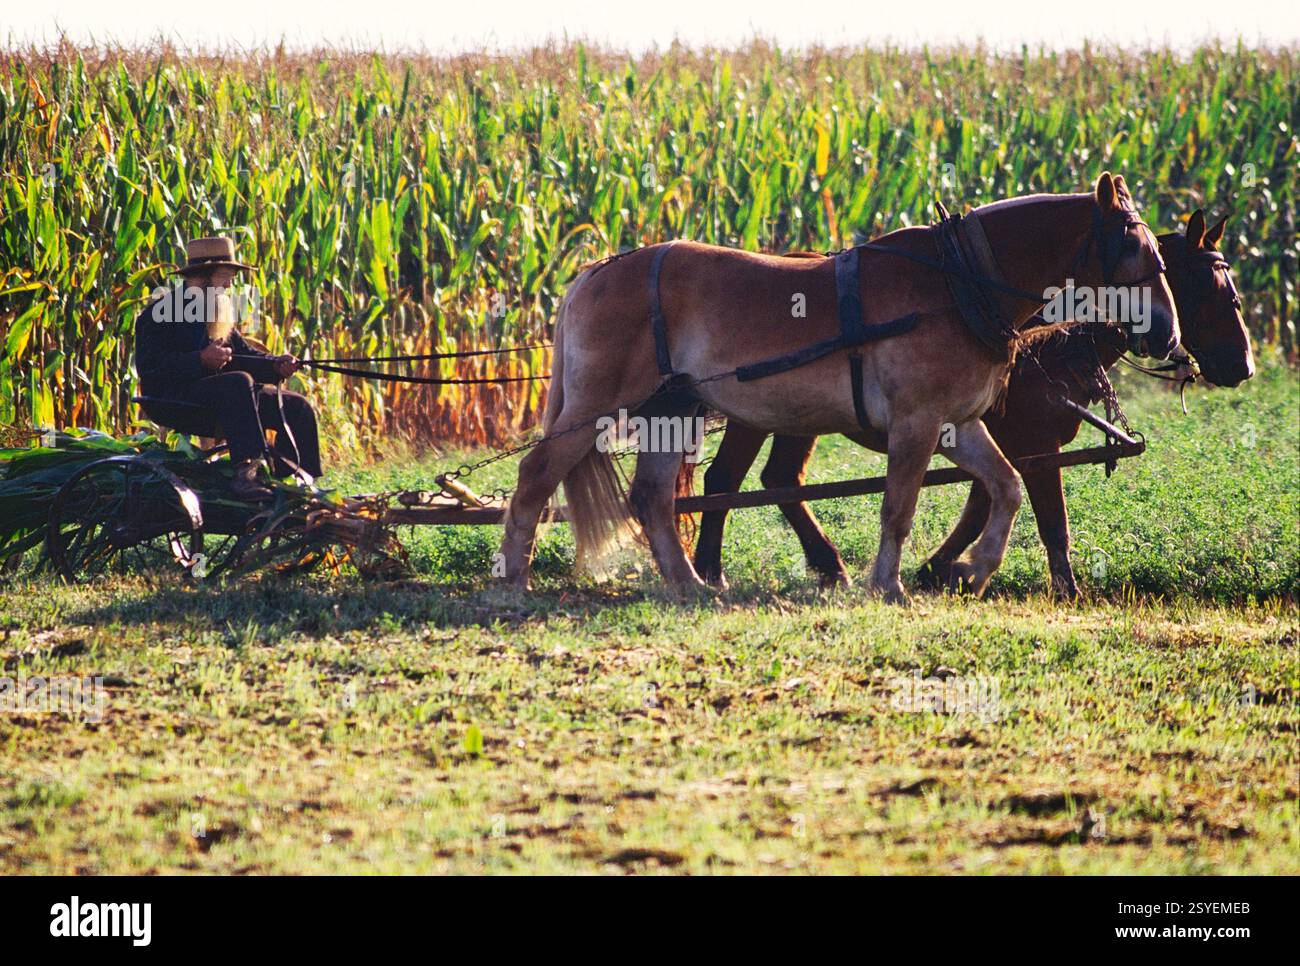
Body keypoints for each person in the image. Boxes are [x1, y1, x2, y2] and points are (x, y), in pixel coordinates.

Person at [133, 236, 322, 500]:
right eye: (226, 277)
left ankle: (294, 482)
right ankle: (247, 473)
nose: (230, 284)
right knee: (237, 382)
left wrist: (276, 365)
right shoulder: (159, 313)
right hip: (173, 399)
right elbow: (151, 367)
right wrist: (200, 359)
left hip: (227, 399)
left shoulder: (217, 309)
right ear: (203, 276)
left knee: (297, 407)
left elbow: (242, 356)